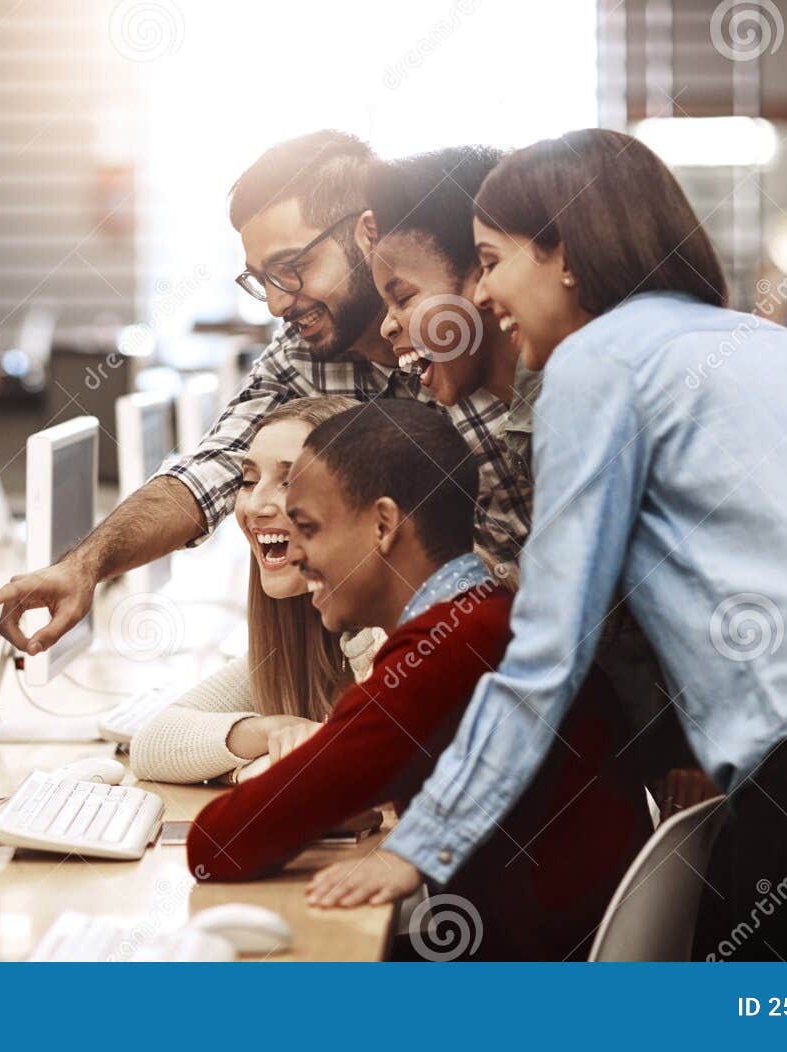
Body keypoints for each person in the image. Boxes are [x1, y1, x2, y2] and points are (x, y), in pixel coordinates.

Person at [307, 129, 787, 963]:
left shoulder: (597, 364)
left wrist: (422, 845)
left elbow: (549, 647)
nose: (485, 293)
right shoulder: (754, 341)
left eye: (492, 260)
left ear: (565, 255)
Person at [0, 131, 533, 655]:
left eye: (291, 269)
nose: (275, 303)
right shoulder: (301, 355)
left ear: (364, 232)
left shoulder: (486, 339)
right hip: (449, 655)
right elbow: (211, 471)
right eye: (260, 280)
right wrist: (86, 565)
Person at [188, 400, 651, 961]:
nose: (300, 554)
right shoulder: (486, 615)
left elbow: (218, 843)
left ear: (383, 525)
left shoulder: (443, 653)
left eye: (308, 527)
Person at [367, 143, 715, 812]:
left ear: (480, 277)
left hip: (744, 759)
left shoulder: (588, 390)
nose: (387, 326)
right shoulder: (493, 411)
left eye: (402, 296)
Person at [128, 397, 383, 783]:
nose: (257, 504)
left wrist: (249, 771)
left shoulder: (411, 640)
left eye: (291, 481)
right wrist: (270, 731)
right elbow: (152, 745)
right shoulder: (308, 635)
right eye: (249, 482)